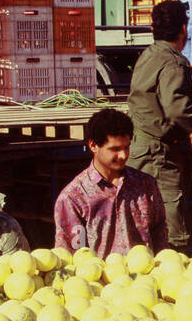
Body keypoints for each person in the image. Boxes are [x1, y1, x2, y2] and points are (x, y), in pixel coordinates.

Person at [126, 0, 192, 256]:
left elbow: (164, 74)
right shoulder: (173, 63)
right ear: (184, 30)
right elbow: (177, 109)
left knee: (139, 220)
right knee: (170, 230)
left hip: (141, 147)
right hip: (159, 155)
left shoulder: (151, 54)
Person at [54, 108, 168, 257]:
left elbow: (160, 235)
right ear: (93, 146)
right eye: (115, 149)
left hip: (146, 278)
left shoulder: (146, 185)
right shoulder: (74, 198)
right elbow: (73, 255)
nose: (123, 155)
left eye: (126, 148)